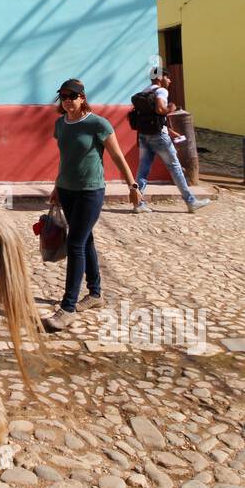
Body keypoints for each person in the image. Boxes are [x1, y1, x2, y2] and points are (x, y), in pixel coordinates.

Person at [43, 78, 141, 334]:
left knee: (75, 244)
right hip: (66, 191)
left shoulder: (98, 124)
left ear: (82, 98)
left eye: (72, 96)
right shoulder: (60, 125)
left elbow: (117, 155)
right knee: (85, 241)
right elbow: (67, 159)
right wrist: (56, 187)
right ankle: (95, 293)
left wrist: (132, 186)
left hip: (90, 192)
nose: (67, 100)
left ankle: (68, 308)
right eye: (63, 96)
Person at [131, 68, 210, 214]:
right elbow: (161, 110)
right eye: (168, 78)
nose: (170, 81)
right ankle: (191, 202)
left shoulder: (144, 91)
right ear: (160, 77)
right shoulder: (161, 91)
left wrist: (170, 129)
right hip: (159, 137)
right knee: (175, 167)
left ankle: (138, 203)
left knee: (143, 169)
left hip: (144, 135)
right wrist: (170, 108)